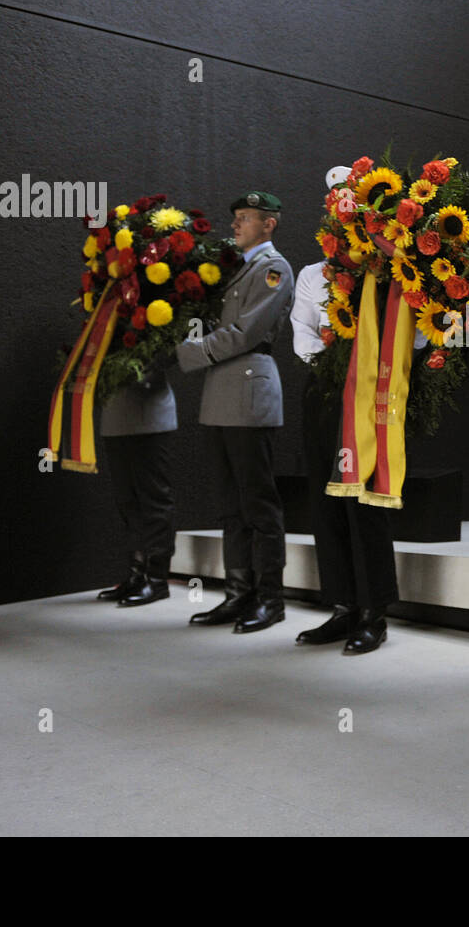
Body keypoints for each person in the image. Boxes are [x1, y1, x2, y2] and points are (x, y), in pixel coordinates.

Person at [290, 166, 400, 654]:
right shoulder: (313, 273)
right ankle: (341, 605)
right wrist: (336, 363)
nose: (342, 213)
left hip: (371, 393)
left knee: (365, 502)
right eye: (334, 205)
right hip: (324, 389)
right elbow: (302, 333)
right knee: (325, 498)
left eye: (349, 203)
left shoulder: (381, 267)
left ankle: (374, 612)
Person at [177, 191, 295, 634]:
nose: (237, 223)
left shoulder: (273, 269)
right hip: (222, 392)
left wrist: (190, 352)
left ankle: (270, 598)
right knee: (230, 505)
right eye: (237, 217)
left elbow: (246, 333)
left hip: (248, 387)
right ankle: (238, 593)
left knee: (258, 503)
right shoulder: (237, 267)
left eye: (246, 218)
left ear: (270, 224)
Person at [94, 375, 177, 607]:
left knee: (155, 499)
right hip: (115, 416)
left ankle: (157, 578)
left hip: (150, 413)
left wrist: (135, 368)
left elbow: (169, 354)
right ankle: (136, 573)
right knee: (127, 500)